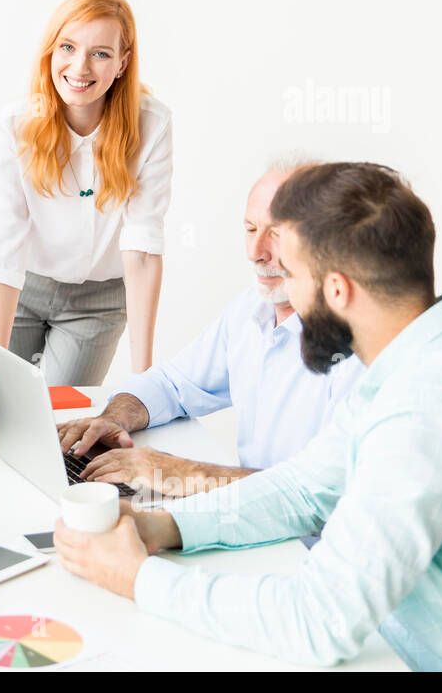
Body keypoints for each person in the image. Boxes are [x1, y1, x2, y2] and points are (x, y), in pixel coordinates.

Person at [54, 162, 442, 669]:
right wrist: (163, 525)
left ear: (336, 290)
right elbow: (303, 488)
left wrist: (139, 578)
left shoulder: (429, 405)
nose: (281, 291)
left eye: (292, 274)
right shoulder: (412, 359)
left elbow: (317, 623)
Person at [57, 162, 364, 496]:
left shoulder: (358, 348)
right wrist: (114, 419)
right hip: (248, 515)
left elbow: (324, 492)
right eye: (250, 229)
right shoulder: (251, 310)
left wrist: (185, 474)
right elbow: (172, 385)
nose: (255, 252)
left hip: (303, 541)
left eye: (276, 234)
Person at [0, 0, 172, 405]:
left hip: (98, 303)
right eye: (68, 47)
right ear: (50, 51)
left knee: (52, 417)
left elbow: (143, 245)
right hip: (21, 290)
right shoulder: (17, 124)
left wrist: (144, 376)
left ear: (123, 62)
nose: (80, 67)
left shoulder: (153, 124)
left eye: (101, 54)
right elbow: (7, 240)